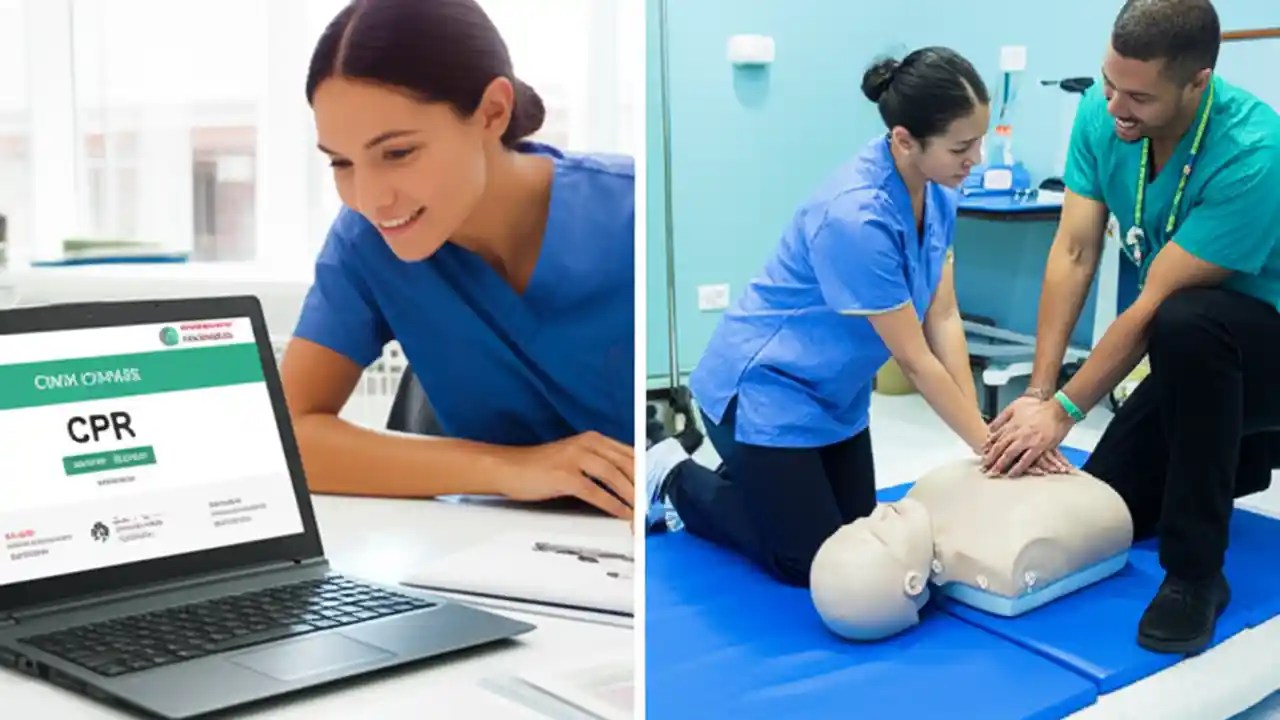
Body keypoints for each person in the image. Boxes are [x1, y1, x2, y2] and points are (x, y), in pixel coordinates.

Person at [646, 47, 1069, 587]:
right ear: (904, 141)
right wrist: (989, 448)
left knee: (864, 533)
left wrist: (981, 433)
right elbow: (914, 359)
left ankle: (758, 481)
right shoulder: (856, 215)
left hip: (835, 396)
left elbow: (942, 315)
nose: (977, 159)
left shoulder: (938, 188)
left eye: (979, 141)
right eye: (963, 146)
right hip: (762, 394)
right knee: (816, 562)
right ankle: (673, 476)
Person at [982, 0, 1280, 654]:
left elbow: (1153, 308)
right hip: (1194, 357)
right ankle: (1241, 457)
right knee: (1112, 503)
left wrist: (1063, 411)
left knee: (1186, 320)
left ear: (1197, 83)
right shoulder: (1102, 114)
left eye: (1138, 96)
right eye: (1110, 82)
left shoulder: (1256, 147)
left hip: (1261, 349)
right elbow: (1074, 253)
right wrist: (1037, 392)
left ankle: (1195, 575)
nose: (1115, 105)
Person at [278, 0, 635, 521]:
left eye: (397, 153)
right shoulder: (365, 244)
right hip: (499, 549)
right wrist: (511, 468)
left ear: (492, 112)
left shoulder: (628, 216)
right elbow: (290, 436)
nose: (372, 198)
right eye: (341, 162)